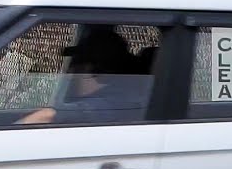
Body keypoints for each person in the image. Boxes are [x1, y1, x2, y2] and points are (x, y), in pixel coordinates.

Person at [18, 27, 149, 125]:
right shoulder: (120, 97)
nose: (70, 74)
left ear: (97, 72)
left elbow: (49, 116)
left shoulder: (119, 103)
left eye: (77, 66)